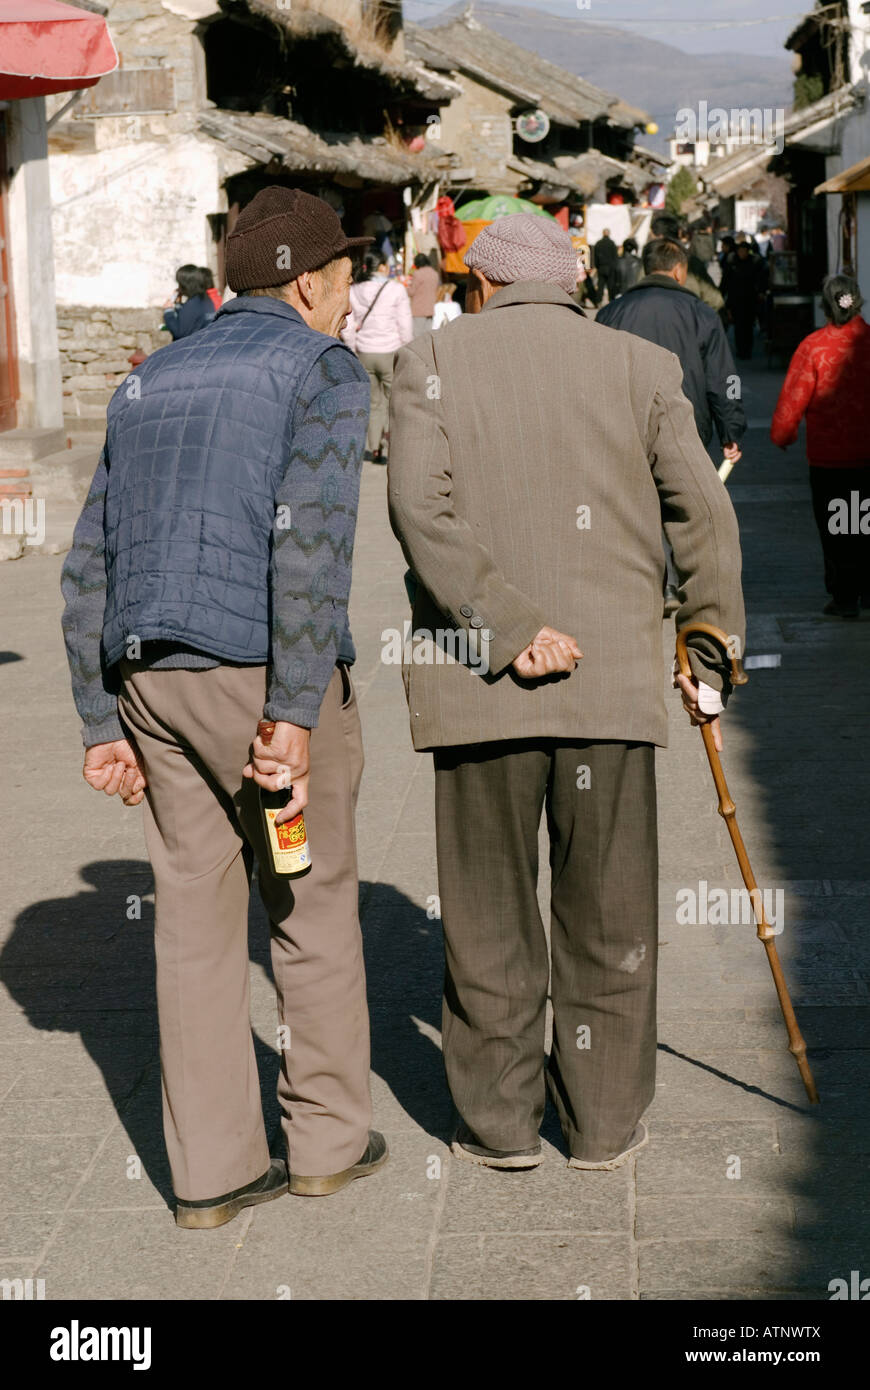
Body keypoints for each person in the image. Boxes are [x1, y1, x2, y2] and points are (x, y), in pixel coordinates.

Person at [387, 213, 744, 1172]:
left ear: (484, 284)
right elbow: (704, 511)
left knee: (490, 914)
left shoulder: (430, 364)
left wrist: (504, 629)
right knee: (611, 916)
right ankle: (601, 1124)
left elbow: (419, 510)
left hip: (480, 686)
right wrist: (705, 648)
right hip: (611, 682)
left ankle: (501, 1128)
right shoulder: (639, 368)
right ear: (572, 284)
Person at [61, 186, 388, 1229]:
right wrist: (294, 709)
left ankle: (209, 1174)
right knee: (310, 900)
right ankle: (328, 1141)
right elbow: (313, 550)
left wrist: (99, 719)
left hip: (151, 679)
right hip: (259, 678)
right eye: (345, 277)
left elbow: (85, 564)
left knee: (194, 927)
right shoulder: (322, 369)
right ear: (306, 280)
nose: (352, 296)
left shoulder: (149, 376)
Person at [771, 273, 870, 618]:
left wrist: (784, 434)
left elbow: (793, 398)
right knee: (864, 523)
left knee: (836, 528)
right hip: (867, 458)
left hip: (829, 460)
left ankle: (845, 596)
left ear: (825, 306)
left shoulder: (813, 347)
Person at [596, 238, 745, 464]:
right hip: (687, 427)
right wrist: (731, 430)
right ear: (678, 271)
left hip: (626, 427)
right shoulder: (701, 313)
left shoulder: (610, 313)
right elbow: (726, 378)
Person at [343, 254, 413, 462]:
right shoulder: (396, 289)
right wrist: (407, 349)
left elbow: (348, 324)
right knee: (395, 401)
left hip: (365, 352)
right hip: (391, 352)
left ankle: (374, 447)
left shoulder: (354, 290)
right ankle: (393, 442)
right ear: (382, 266)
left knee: (374, 403)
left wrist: (353, 349)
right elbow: (405, 324)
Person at [651, 213, 723, 313]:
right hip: (690, 322)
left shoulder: (649, 264)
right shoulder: (692, 262)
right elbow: (715, 301)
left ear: (659, 237)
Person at [725, 239, 767, 359]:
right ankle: (740, 350)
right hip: (736, 299)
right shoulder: (732, 264)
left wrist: (761, 292)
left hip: (750, 299)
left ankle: (747, 350)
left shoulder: (754, 264)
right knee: (739, 327)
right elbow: (726, 281)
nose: (742, 253)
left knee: (748, 327)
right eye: (740, 251)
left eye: (744, 251)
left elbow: (761, 280)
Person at [162, 264, 216, 340]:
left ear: (185, 284)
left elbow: (179, 332)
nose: (179, 287)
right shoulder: (205, 299)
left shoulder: (193, 303)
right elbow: (189, 319)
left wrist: (168, 311)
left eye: (180, 284)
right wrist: (178, 305)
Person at [408, 252, 440, 336]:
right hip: (430, 308)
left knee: (417, 336)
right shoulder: (435, 273)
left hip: (418, 309)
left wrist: (404, 288)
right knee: (427, 336)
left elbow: (411, 292)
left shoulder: (417, 274)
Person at [592, 228, 619, 304]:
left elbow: (595, 256)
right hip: (610, 268)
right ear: (609, 234)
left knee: (600, 285)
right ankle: (611, 301)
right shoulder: (612, 243)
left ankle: (598, 301)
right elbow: (615, 257)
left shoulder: (598, 243)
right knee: (611, 285)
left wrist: (597, 266)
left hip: (601, 267)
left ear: (602, 233)